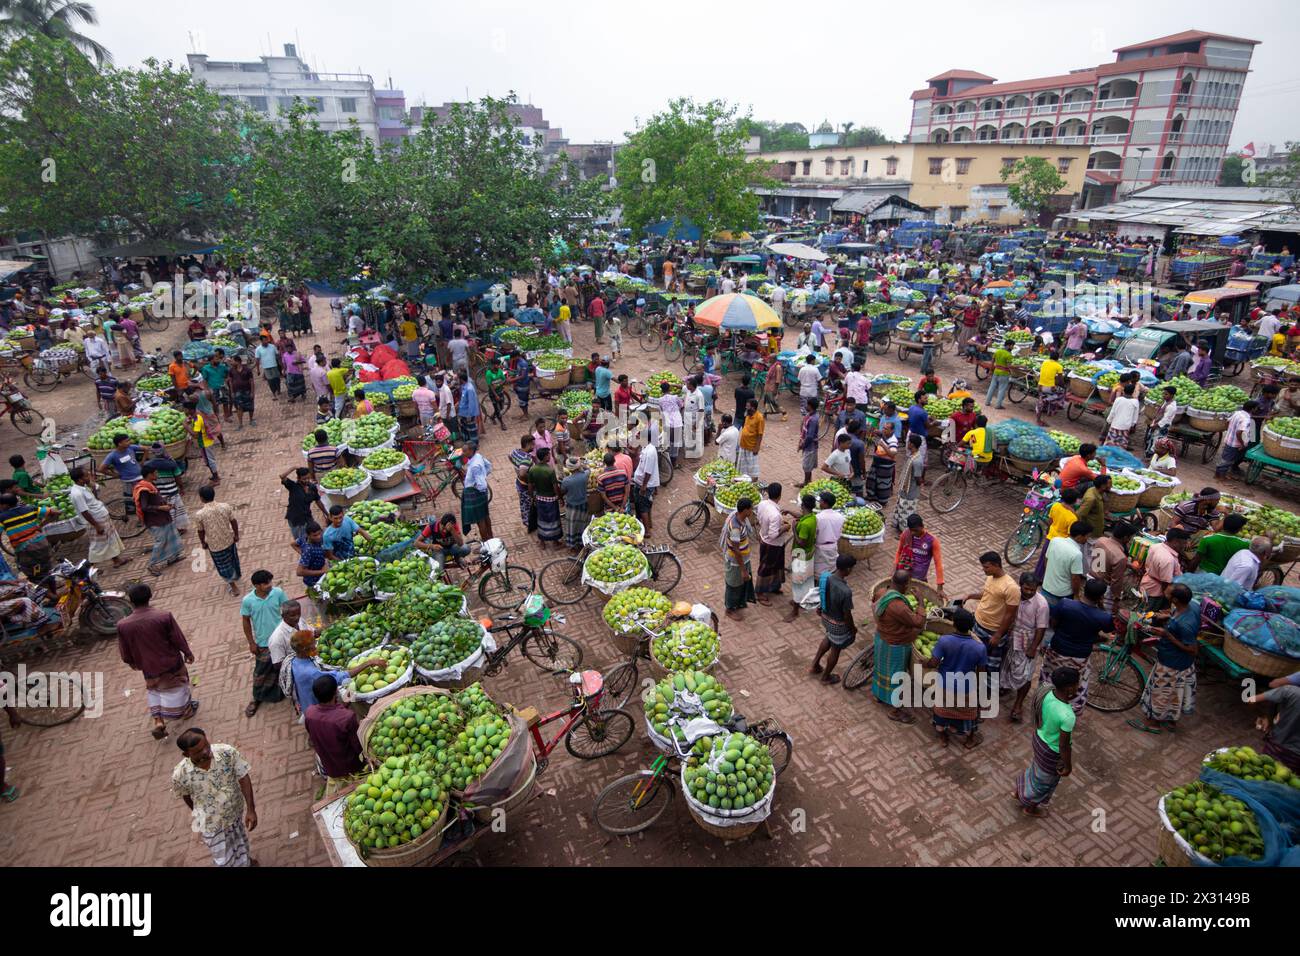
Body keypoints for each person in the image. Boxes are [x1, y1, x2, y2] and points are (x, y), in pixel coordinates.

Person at [116, 583, 197, 739]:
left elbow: (124, 648)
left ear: (131, 601)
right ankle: (186, 711)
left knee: (154, 690)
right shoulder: (163, 616)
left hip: (148, 665)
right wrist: (187, 652)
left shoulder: (123, 625)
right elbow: (177, 637)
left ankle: (158, 721)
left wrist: (131, 662)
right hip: (171, 662)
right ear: (150, 597)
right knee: (179, 686)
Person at [172, 729, 257, 868]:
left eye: (206, 745)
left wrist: (251, 810)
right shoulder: (180, 775)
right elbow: (185, 795)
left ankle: (246, 861)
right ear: (186, 754)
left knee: (239, 841)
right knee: (223, 859)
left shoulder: (227, 753)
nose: (206, 752)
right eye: (198, 751)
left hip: (234, 812)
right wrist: (198, 813)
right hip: (211, 823)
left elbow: (243, 777)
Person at [1132, 582, 1199, 734]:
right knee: (1175, 693)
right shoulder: (1192, 606)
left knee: (1161, 692)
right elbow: (1178, 615)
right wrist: (1167, 615)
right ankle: (1171, 721)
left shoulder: (1185, 625)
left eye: (1168, 594)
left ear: (1175, 600)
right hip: (1181, 664)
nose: (1164, 594)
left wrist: (1167, 634)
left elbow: (1192, 650)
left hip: (1172, 663)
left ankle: (1153, 724)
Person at [1040, 578, 1114, 714]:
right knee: (1073, 685)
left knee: (1049, 678)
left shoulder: (1065, 604)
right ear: (1101, 596)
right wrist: (1101, 606)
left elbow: (1054, 624)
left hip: (1057, 650)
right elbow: (1108, 629)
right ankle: (1066, 712)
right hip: (1080, 657)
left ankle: (1044, 703)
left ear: (1083, 589)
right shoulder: (1104, 617)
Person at [1015, 666, 1078, 817]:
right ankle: (1030, 808)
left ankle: (1018, 792)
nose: (1079, 686)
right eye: (1077, 683)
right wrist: (1068, 766)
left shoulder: (1047, 691)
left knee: (1035, 770)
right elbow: (1064, 745)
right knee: (1044, 783)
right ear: (1069, 688)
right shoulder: (1068, 715)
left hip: (1038, 740)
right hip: (1051, 752)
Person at [922, 608, 987, 749]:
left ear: (954, 624)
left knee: (942, 711)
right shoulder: (979, 648)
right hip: (966, 689)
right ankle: (969, 740)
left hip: (944, 685)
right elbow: (981, 674)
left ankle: (943, 738)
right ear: (972, 627)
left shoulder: (944, 641)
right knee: (968, 714)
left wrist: (924, 662)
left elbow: (933, 663)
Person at [872, 570, 928, 723]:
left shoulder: (882, 592)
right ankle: (895, 711)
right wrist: (921, 602)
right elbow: (918, 622)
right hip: (896, 644)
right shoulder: (898, 606)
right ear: (904, 585)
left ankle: (879, 695)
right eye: (907, 585)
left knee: (881, 669)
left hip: (881, 639)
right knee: (898, 676)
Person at [963, 551, 1020, 677]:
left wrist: (998, 635)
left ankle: (988, 691)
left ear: (996, 565)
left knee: (991, 665)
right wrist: (971, 596)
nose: (984, 570)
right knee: (976, 655)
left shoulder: (1011, 588)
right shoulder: (990, 577)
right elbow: (987, 594)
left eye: (986, 567)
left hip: (992, 631)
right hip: (978, 624)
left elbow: (1010, 614)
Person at [305, 676, 365, 791]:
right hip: (351, 768)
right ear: (336, 692)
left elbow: (328, 717)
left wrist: (344, 705)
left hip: (330, 766)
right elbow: (358, 747)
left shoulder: (309, 713)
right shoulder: (347, 717)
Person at [239, 569, 286, 716]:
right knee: (260, 672)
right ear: (257, 586)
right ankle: (257, 698)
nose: (270, 585)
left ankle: (285, 691)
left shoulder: (277, 593)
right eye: (266, 583)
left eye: (270, 581)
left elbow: (288, 609)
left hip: (281, 639)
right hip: (263, 643)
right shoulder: (248, 601)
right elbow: (245, 622)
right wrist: (251, 643)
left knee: (283, 667)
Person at [1005, 572, 1050, 722]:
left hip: (1028, 640)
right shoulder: (1014, 594)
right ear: (1020, 585)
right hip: (1011, 635)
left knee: (1025, 674)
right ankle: (1005, 686)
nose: (1029, 592)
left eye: (1033, 590)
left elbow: (1041, 628)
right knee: (1008, 664)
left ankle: (1018, 704)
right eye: (1026, 589)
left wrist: (1033, 647)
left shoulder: (1042, 604)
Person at [810, 554, 859, 685]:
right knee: (836, 649)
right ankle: (825, 677)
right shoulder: (845, 591)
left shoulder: (826, 577)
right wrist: (853, 628)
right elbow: (847, 615)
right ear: (848, 569)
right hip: (838, 624)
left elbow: (821, 593)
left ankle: (814, 665)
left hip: (826, 618)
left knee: (828, 638)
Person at [68, 466, 127, 567]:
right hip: (96, 520)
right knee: (97, 545)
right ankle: (88, 567)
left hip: (101, 516)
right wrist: (96, 525)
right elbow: (84, 512)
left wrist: (93, 486)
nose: (89, 477)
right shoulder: (77, 493)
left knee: (109, 539)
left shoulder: (84, 486)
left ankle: (117, 560)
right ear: (79, 479)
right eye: (86, 476)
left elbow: (94, 498)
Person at [1246, 674, 1300, 772]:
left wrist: (1263, 716)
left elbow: (1251, 700)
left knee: (1264, 772)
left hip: (1275, 748)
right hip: (1297, 760)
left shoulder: (1290, 691)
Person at [135, 462, 182, 575]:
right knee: (160, 541)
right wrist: (161, 507)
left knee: (171, 536)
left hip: (162, 517)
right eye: (155, 473)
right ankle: (152, 565)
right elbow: (145, 507)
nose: (157, 474)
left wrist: (166, 504)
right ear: (149, 475)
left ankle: (172, 557)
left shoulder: (150, 485)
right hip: (155, 520)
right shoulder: (144, 490)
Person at [194, 485, 241, 594]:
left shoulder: (199, 514)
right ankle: (236, 576)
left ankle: (233, 586)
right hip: (229, 539)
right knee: (233, 559)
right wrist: (236, 534)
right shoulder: (225, 506)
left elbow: (200, 531)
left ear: (201, 498)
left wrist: (202, 542)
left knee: (223, 565)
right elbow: (233, 521)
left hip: (215, 546)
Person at [720, 496, 757, 618]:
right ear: (745, 510)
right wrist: (743, 570)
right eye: (750, 509)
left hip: (743, 559)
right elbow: (736, 550)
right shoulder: (736, 528)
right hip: (736, 562)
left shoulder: (741, 519)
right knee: (733, 585)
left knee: (741, 583)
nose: (752, 511)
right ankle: (730, 609)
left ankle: (739, 604)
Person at [754, 482, 792, 603]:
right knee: (766, 567)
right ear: (780, 495)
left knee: (777, 565)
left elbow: (760, 519)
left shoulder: (762, 503)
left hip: (766, 539)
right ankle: (760, 592)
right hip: (772, 544)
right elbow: (773, 534)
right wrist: (785, 528)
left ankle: (773, 586)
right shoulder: (775, 515)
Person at [1042, 519, 1091, 606]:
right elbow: (1075, 578)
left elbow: (1046, 560)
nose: (1087, 539)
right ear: (1079, 536)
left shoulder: (1055, 541)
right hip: (1061, 595)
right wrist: (1076, 595)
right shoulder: (1076, 554)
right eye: (1087, 536)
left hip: (1046, 587)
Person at [1141, 528, 1190, 612]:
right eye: (1183, 543)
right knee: (1148, 615)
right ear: (1175, 541)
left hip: (1148, 583)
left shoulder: (1156, 546)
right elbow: (1166, 584)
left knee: (1144, 608)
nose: (1185, 546)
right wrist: (1170, 601)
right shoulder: (1168, 560)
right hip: (1156, 592)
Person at [894, 512, 945, 592]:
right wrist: (894, 571)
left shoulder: (932, 540)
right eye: (911, 530)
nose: (913, 533)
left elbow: (938, 564)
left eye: (916, 530)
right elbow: (899, 552)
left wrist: (940, 587)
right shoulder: (906, 535)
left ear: (922, 526)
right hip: (904, 578)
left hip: (920, 578)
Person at [527, 447, 563, 548]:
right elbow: (555, 487)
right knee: (553, 520)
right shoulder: (550, 471)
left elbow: (530, 486)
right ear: (545, 457)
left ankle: (542, 542)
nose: (550, 456)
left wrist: (532, 497)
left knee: (541, 519)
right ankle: (555, 541)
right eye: (548, 455)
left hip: (539, 498)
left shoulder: (533, 469)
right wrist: (560, 498)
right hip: (551, 499)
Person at [890, 433, 927, 532]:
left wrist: (919, 485)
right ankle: (898, 524)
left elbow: (918, 478)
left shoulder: (917, 461)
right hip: (905, 489)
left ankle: (904, 530)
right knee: (901, 506)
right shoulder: (912, 456)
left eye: (908, 442)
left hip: (910, 491)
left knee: (907, 510)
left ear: (912, 444)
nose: (907, 443)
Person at [280, 465, 327, 541]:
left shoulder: (312, 487)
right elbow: (282, 476)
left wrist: (326, 513)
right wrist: (293, 467)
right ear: (298, 478)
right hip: (296, 520)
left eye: (308, 478)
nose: (307, 480)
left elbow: (318, 500)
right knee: (301, 540)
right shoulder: (293, 486)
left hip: (308, 517)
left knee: (317, 535)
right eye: (304, 479)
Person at [1216, 399, 1258, 481]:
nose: (1257, 410)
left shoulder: (1237, 413)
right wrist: (1242, 444)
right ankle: (1220, 476)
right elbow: (1239, 432)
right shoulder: (1246, 419)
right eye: (1256, 408)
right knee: (1227, 460)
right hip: (1235, 443)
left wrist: (1230, 431)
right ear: (1252, 409)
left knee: (1227, 459)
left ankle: (1219, 474)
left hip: (1229, 440)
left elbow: (1227, 422)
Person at [460, 440, 494, 541]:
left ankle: (486, 542)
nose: (463, 453)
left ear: (471, 450)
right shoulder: (478, 456)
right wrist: (483, 476)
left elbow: (482, 485)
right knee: (485, 516)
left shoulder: (475, 466)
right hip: (480, 493)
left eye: (465, 451)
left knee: (480, 521)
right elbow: (489, 466)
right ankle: (491, 538)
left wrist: (476, 487)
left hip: (475, 494)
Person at [630, 435, 661, 532]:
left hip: (645, 485)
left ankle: (647, 531)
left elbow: (648, 471)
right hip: (640, 482)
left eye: (638, 437)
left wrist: (644, 486)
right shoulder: (645, 447)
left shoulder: (650, 452)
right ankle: (647, 524)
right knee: (642, 505)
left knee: (643, 507)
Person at [865, 419, 898, 508]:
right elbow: (880, 435)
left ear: (892, 431)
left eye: (886, 429)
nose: (884, 430)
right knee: (872, 480)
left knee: (883, 484)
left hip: (885, 466)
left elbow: (892, 454)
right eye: (883, 428)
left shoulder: (893, 441)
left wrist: (883, 446)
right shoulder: (884, 435)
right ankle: (872, 496)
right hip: (877, 463)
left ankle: (882, 501)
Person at [1105, 382, 1141, 449]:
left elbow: (1113, 412)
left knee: (1110, 442)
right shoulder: (1135, 402)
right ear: (1133, 392)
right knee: (1121, 444)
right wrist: (1133, 425)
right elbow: (1135, 417)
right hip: (1126, 426)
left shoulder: (1118, 400)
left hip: (1115, 424)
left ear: (1123, 391)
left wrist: (1109, 420)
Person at [1147, 386, 1179, 455]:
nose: (1163, 396)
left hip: (1162, 426)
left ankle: (1153, 456)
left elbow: (1165, 419)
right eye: (1163, 394)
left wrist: (1155, 425)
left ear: (1172, 395)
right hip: (1158, 424)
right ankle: (1150, 454)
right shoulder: (1166, 402)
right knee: (1153, 440)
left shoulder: (1171, 407)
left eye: (1166, 394)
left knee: (1158, 442)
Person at [797, 398, 822, 486]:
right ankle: (808, 481)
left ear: (810, 406)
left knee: (807, 466)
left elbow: (810, 436)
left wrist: (802, 445)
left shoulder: (813, 419)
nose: (806, 406)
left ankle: (806, 483)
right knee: (808, 466)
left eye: (807, 404)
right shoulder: (810, 415)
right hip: (808, 445)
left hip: (810, 446)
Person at [737, 399, 764, 479]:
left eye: (747, 406)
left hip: (751, 446)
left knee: (752, 468)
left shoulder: (759, 418)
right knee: (743, 466)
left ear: (753, 408)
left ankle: (753, 480)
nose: (746, 407)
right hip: (743, 444)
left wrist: (757, 447)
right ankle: (744, 479)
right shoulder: (747, 415)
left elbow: (760, 434)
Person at [986, 339, 1013, 409]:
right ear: (1009, 346)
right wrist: (1019, 366)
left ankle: (987, 402)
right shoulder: (1009, 355)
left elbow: (992, 362)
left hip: (996, 371)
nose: (1013, 347)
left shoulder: (997, 351)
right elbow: (1009, 366)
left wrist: (990, 370)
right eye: (1012, 346)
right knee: (1002, 389)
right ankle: (998, 405)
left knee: (991, 387)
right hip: (1004, 374)